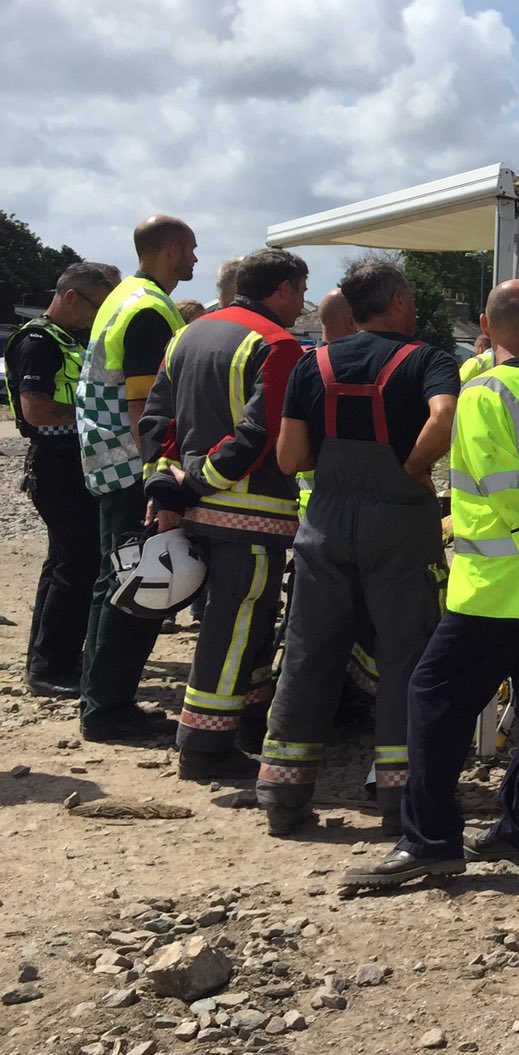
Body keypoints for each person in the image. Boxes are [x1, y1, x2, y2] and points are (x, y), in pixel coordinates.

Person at [343, 280, 519, 890]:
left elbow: (503, 485)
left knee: (433, 697)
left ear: (485, 323)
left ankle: (429, 841)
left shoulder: (483, 394)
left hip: (499, 587)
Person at [261, 258, 461, 836]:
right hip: (398, 526)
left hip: (323, 525)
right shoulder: (427, 359)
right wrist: (416, 466)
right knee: (405, 657)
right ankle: (400, 800)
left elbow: (290, 458)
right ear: (398, 298)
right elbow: (443, 416)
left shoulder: (312, 364)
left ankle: (285, 794)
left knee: (308, 652)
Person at [139, 248, 308, 780]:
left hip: (196, 506)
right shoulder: (278, 345)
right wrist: (205, 483)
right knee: (236, 624)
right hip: (249, 510)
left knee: (242, 623)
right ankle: (206, 745)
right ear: (281, 289)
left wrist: (168, 482)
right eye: (300, 291)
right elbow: (262, 434)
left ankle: (247, 718)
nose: (302, 302)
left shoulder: (189, 334)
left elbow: (157, 417)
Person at [75, 214, 197, 743]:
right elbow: (145, 404)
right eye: (191, 250)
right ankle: (109, 708)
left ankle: (99, 698)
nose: (195, 259)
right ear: (172, 249)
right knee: (140, 582)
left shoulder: (121, 296)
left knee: (113, 581)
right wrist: (159, 474)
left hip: (106, 461)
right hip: (132, 466)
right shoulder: (149, 310)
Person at [4, 261, 120, 698]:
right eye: (96, 305)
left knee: (67, 564)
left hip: (74, 460)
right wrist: (99, 418)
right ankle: (51, 666)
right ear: (71, 296)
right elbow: (35, 409)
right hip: (57, 462)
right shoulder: (37, 341)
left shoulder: (69, 338)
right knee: (77, 564)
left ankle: (50, 658)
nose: (98, 316)